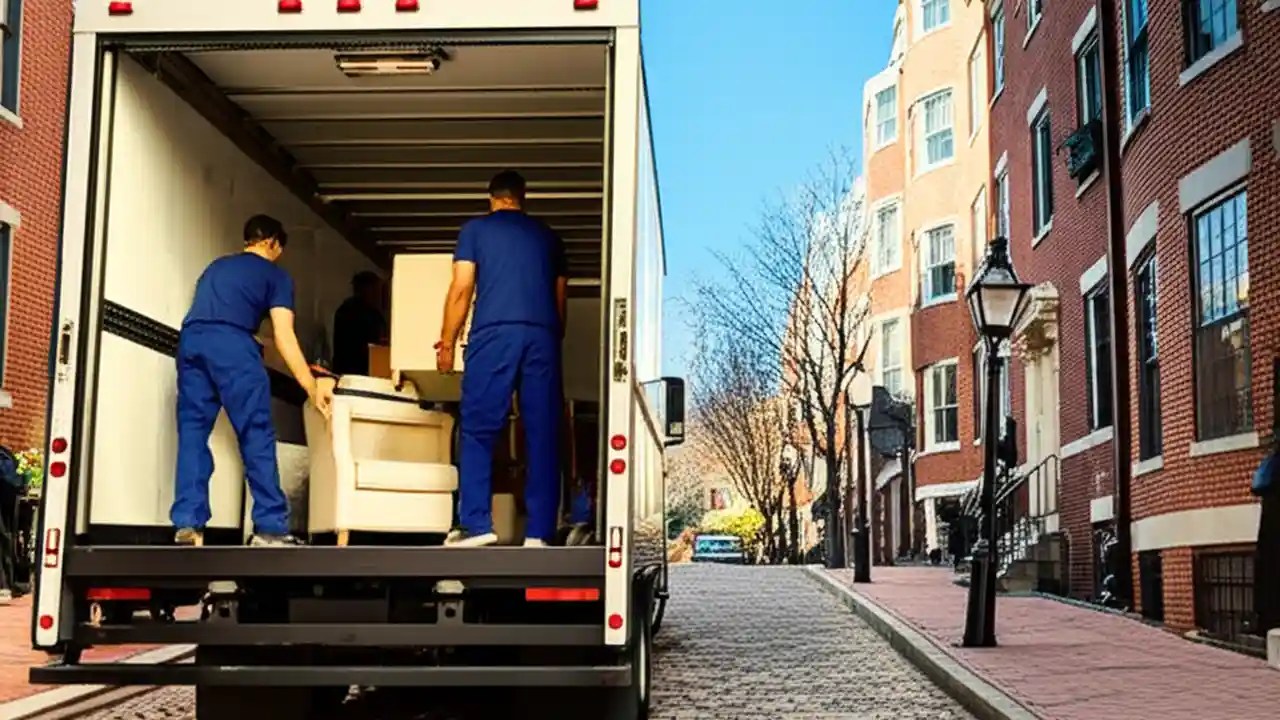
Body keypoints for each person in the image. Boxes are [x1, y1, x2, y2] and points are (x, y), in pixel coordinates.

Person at [171, 214, 332, 547]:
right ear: (272, 242)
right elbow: (284, 336)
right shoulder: (276, 276)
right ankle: (270, 527)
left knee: (192, 434)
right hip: (232, 346)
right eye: (279, 250)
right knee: (255, 433)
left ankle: (188, 524)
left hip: (193, 340)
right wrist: (311, 386)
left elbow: (221, 315)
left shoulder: (215, 267)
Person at [437, 170, 568, 548]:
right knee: (543, 432)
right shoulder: (549, 238)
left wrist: (447, 341)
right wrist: (550, 340)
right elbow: (561, 300)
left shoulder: (475, 231)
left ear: (491, 197)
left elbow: (462, 288)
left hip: (494, 332)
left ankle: (477, 526)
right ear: (523, 196)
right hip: (541, 334)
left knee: (479, 427)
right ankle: (539, 533)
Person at [331, 271, 387, 376]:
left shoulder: (345, 310)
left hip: (345, 372)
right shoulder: (366, 313)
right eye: (374, 290)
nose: (377, 295)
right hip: (359, 373)